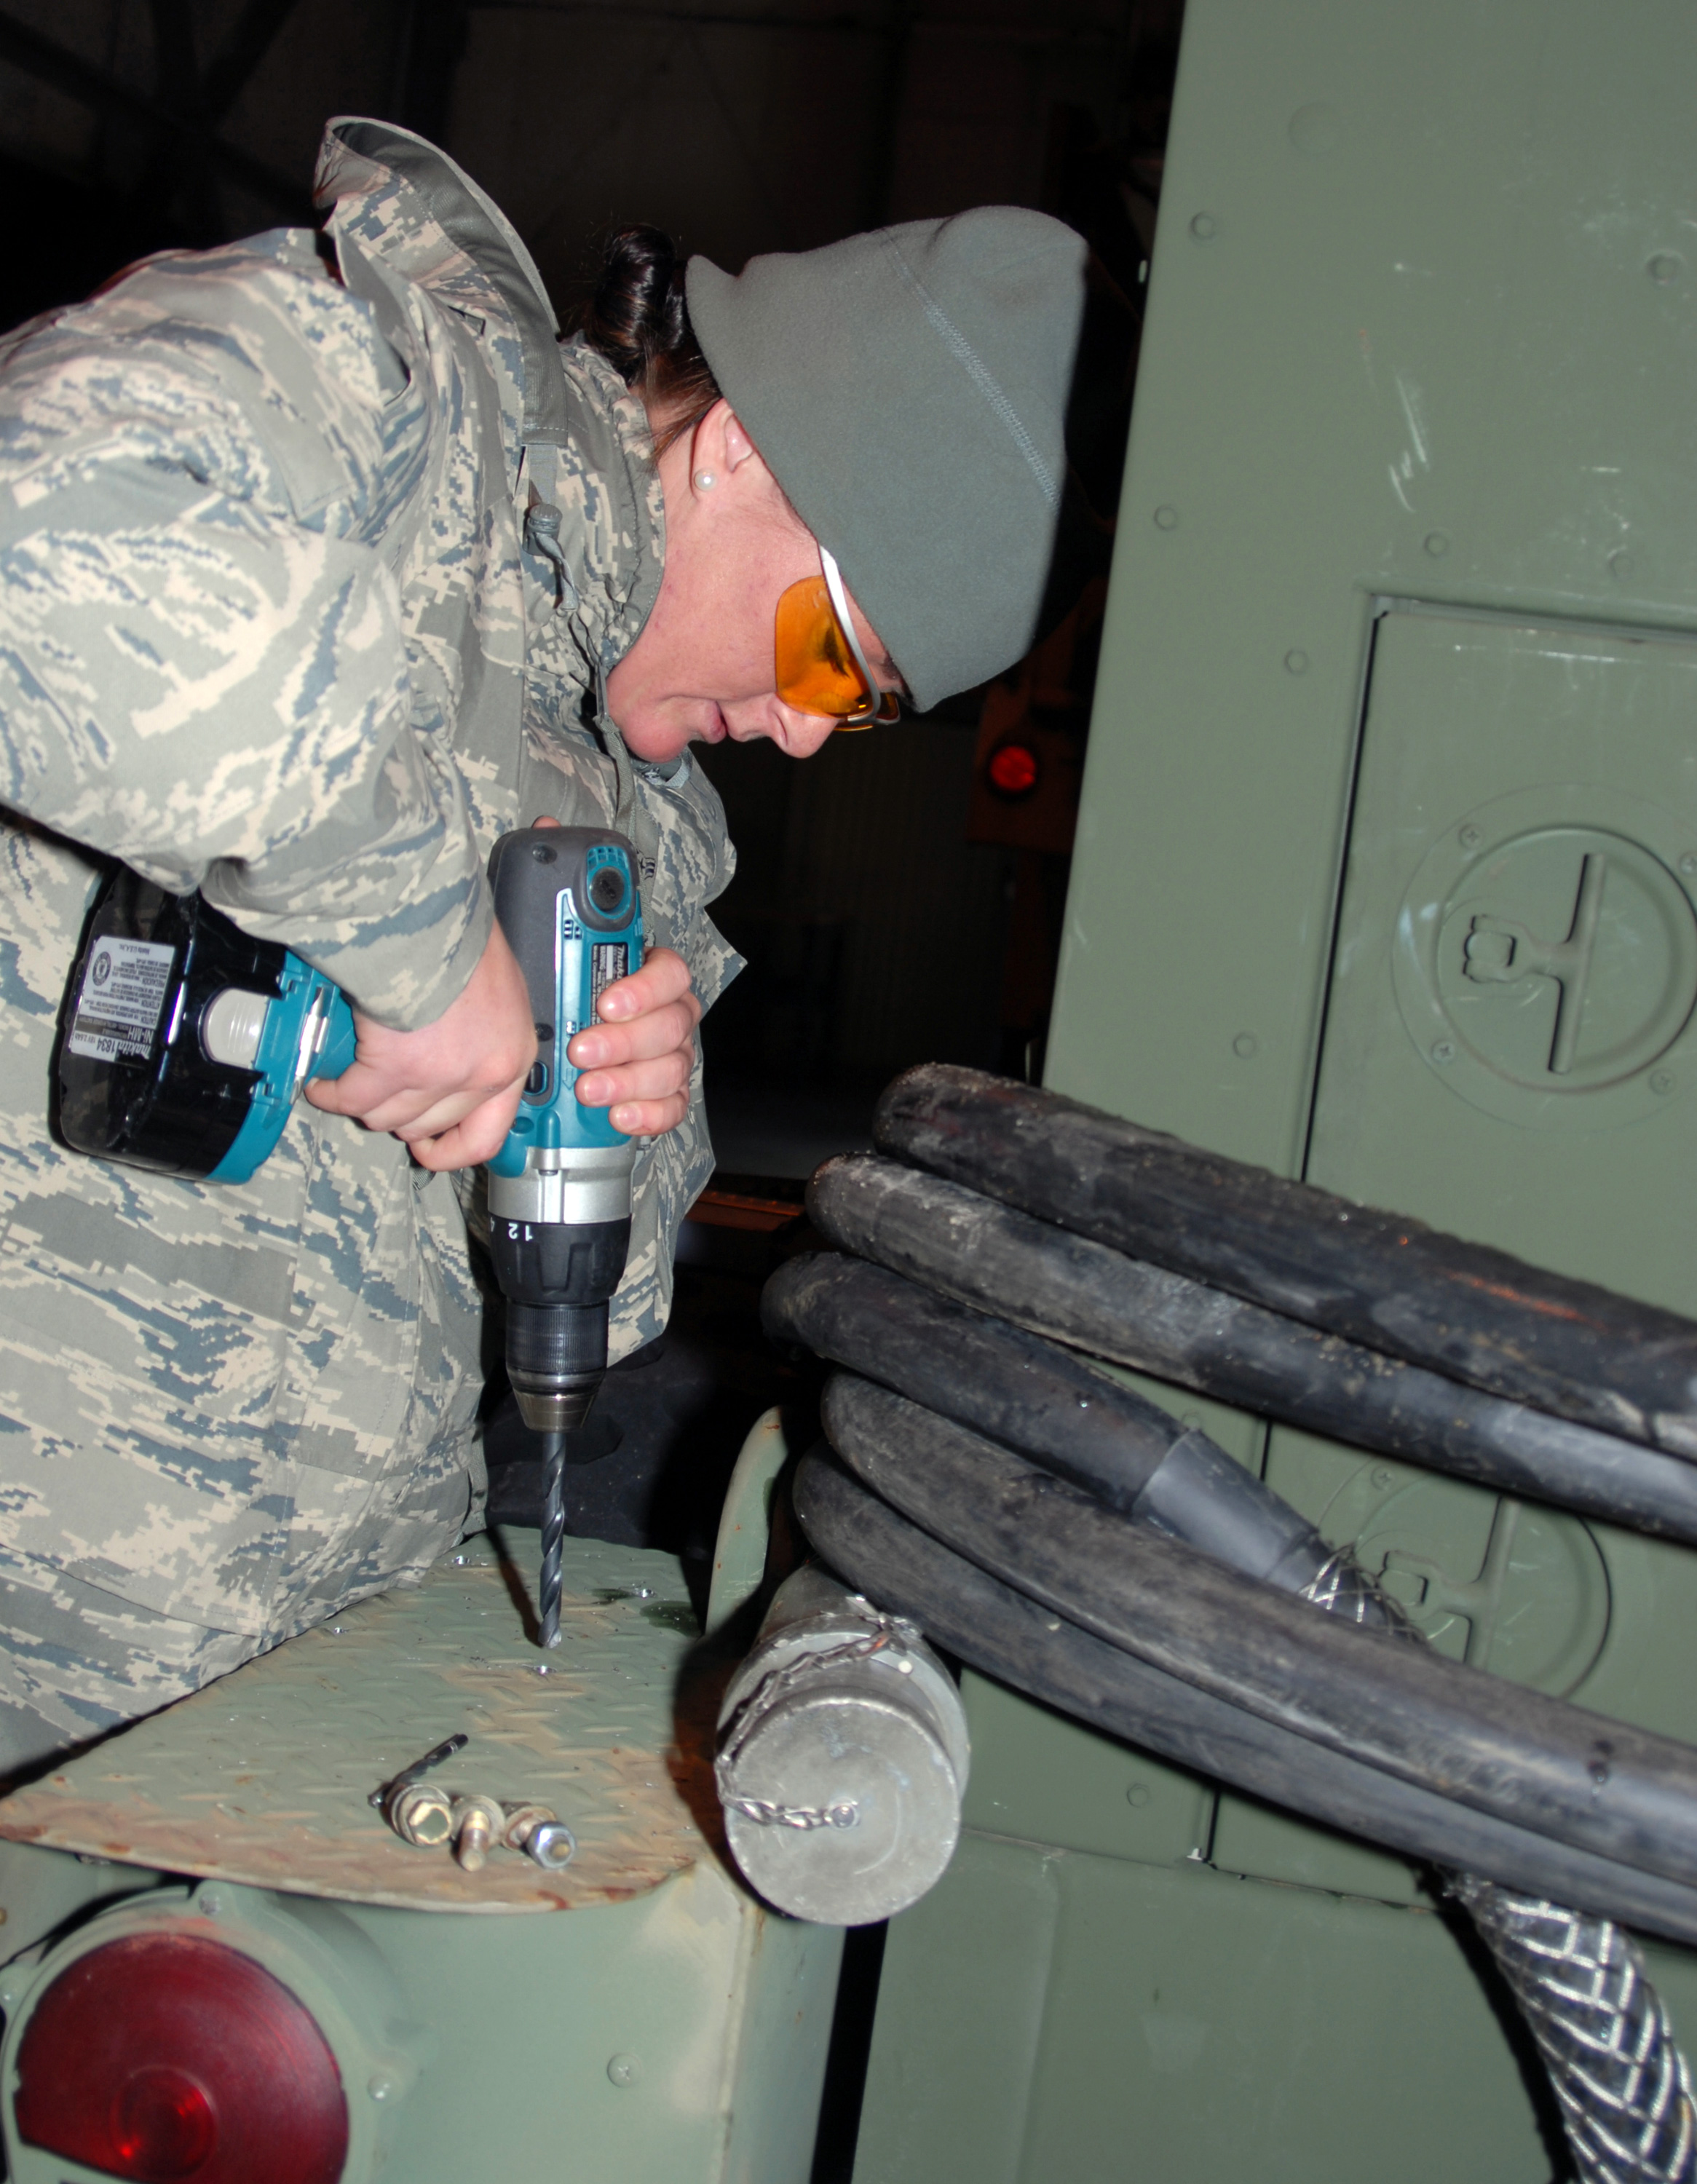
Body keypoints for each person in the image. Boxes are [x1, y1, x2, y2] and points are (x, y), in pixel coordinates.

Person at [0, 118, 1085, 1772]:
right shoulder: (381, 395)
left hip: (285, 1695)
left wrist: (621, 1117)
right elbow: (49, 528)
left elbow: (596, 1315)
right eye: (830, 651)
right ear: (742, 450)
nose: (804, 731)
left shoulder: (640, 816)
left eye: (861, 709)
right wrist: (427, 954)